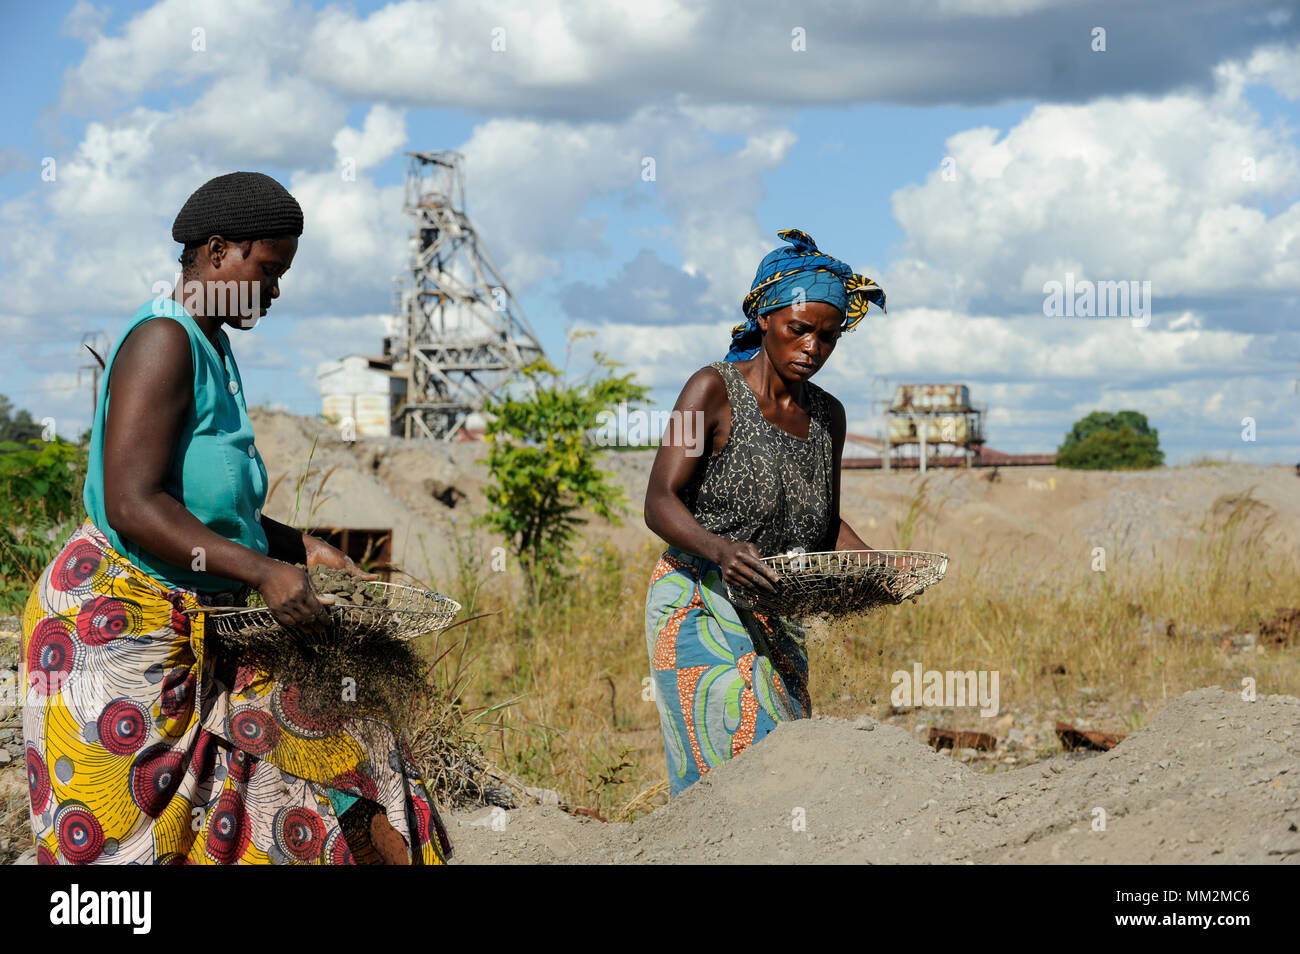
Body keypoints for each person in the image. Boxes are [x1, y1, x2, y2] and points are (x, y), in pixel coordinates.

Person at [21, 172, 448, 864]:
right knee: (123, 853)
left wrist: (300, 547)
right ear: (218, 251)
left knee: (352, 746)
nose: (275, 293)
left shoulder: (214, 348)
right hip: (117, 640)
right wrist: (265, 573)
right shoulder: (163, 340)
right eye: (269, 270)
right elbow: (134, 504)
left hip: (201, 628)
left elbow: (217, 510)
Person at [642, 228, 885, 796]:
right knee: (738, 758)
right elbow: (658, 500)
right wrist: (721, 550)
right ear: (765, 318)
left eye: (828, 337)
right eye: (799, 330)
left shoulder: (830, 416)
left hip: (778, 606)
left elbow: (823, 525)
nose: (812, 348)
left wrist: (875, 566)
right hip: (698, 599)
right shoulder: (708, 390)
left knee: (790, 760)